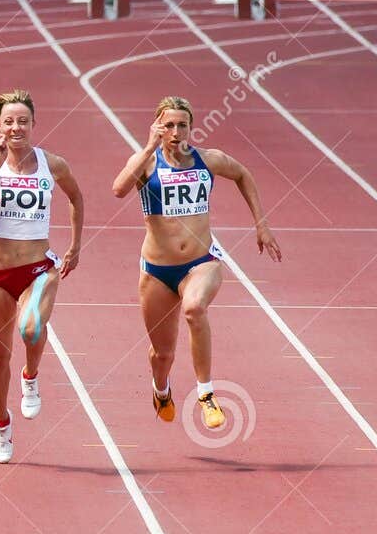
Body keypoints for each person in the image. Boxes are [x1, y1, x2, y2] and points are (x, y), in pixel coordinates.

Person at [110, 96, 281, 429]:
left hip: (201, 262)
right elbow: (118, 189)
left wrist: (261, 224)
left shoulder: (207, 159)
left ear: (191, 126)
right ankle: (161, 389)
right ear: (158, 126)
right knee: (162, 354)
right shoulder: (146, 162)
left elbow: (243, 174)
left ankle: (206, 394)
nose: (176, 132)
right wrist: (148, 147)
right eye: (169, 125)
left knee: (194, 309)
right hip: (157, 271)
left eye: (182, 125)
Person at [0, 90, 83, 464]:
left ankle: (30, 376)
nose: (16, 127)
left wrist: (75, 245)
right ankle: (2, 424)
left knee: (31, 328)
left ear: (33, 124)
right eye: (9, 121)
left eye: (23, 121)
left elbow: (76, 199)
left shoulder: (53, 164)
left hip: (38, 268)